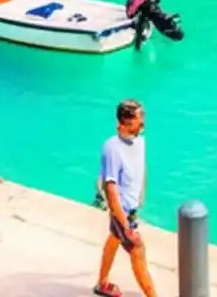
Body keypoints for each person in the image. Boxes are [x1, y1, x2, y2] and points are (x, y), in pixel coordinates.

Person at [94, 99, 155, 297]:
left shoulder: (140, 141)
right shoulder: (112, 149)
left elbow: (141, 169)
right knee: (138, 252)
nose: (143, 124)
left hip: (132, 208)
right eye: (139, 120)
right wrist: (126, 228)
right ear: (125, 123)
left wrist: (140, 197)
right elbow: (111, 191)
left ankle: (102, 283)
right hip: (122, 213)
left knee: (113, 239)